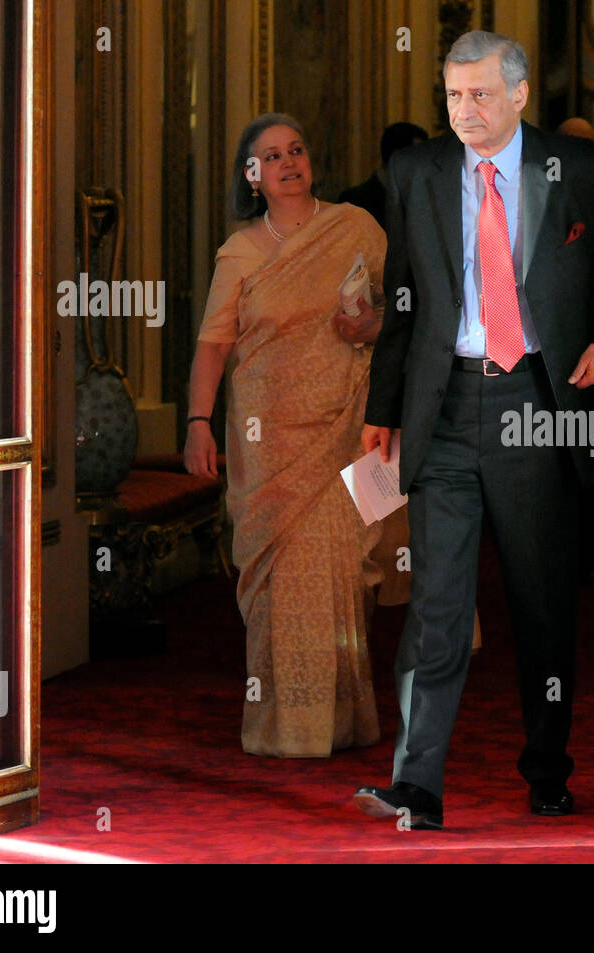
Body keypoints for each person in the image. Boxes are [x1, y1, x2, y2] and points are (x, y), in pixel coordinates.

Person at [353, 30, 594, 830]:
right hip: (443, 410)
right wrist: (383, 412)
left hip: (537, 405)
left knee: (542, 604)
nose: (464, 110)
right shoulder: (415, 171)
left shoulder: (578, 169)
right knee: (436, 606)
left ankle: (548, 768)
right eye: (453, 94)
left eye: (480, 94)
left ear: (520, 94)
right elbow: (401, 301)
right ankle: (417, 782)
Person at [185, 113, 395, 757]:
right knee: (283, 579)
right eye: (271, 156)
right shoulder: (241, 250)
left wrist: (369, 324)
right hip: (267, 435)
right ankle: (286, 724)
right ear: (252, 177)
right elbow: (214, 347)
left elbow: (399, 313)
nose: (288, 162)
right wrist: (196, 423)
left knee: (338, 567)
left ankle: (343, 718)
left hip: (346, 426)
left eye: (296, 150)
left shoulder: (355, 227)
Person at [338, 121, 428, 228]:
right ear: (399, 159)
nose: (425, 165)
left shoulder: (423, 198)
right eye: (418, 157)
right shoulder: (354, 202)